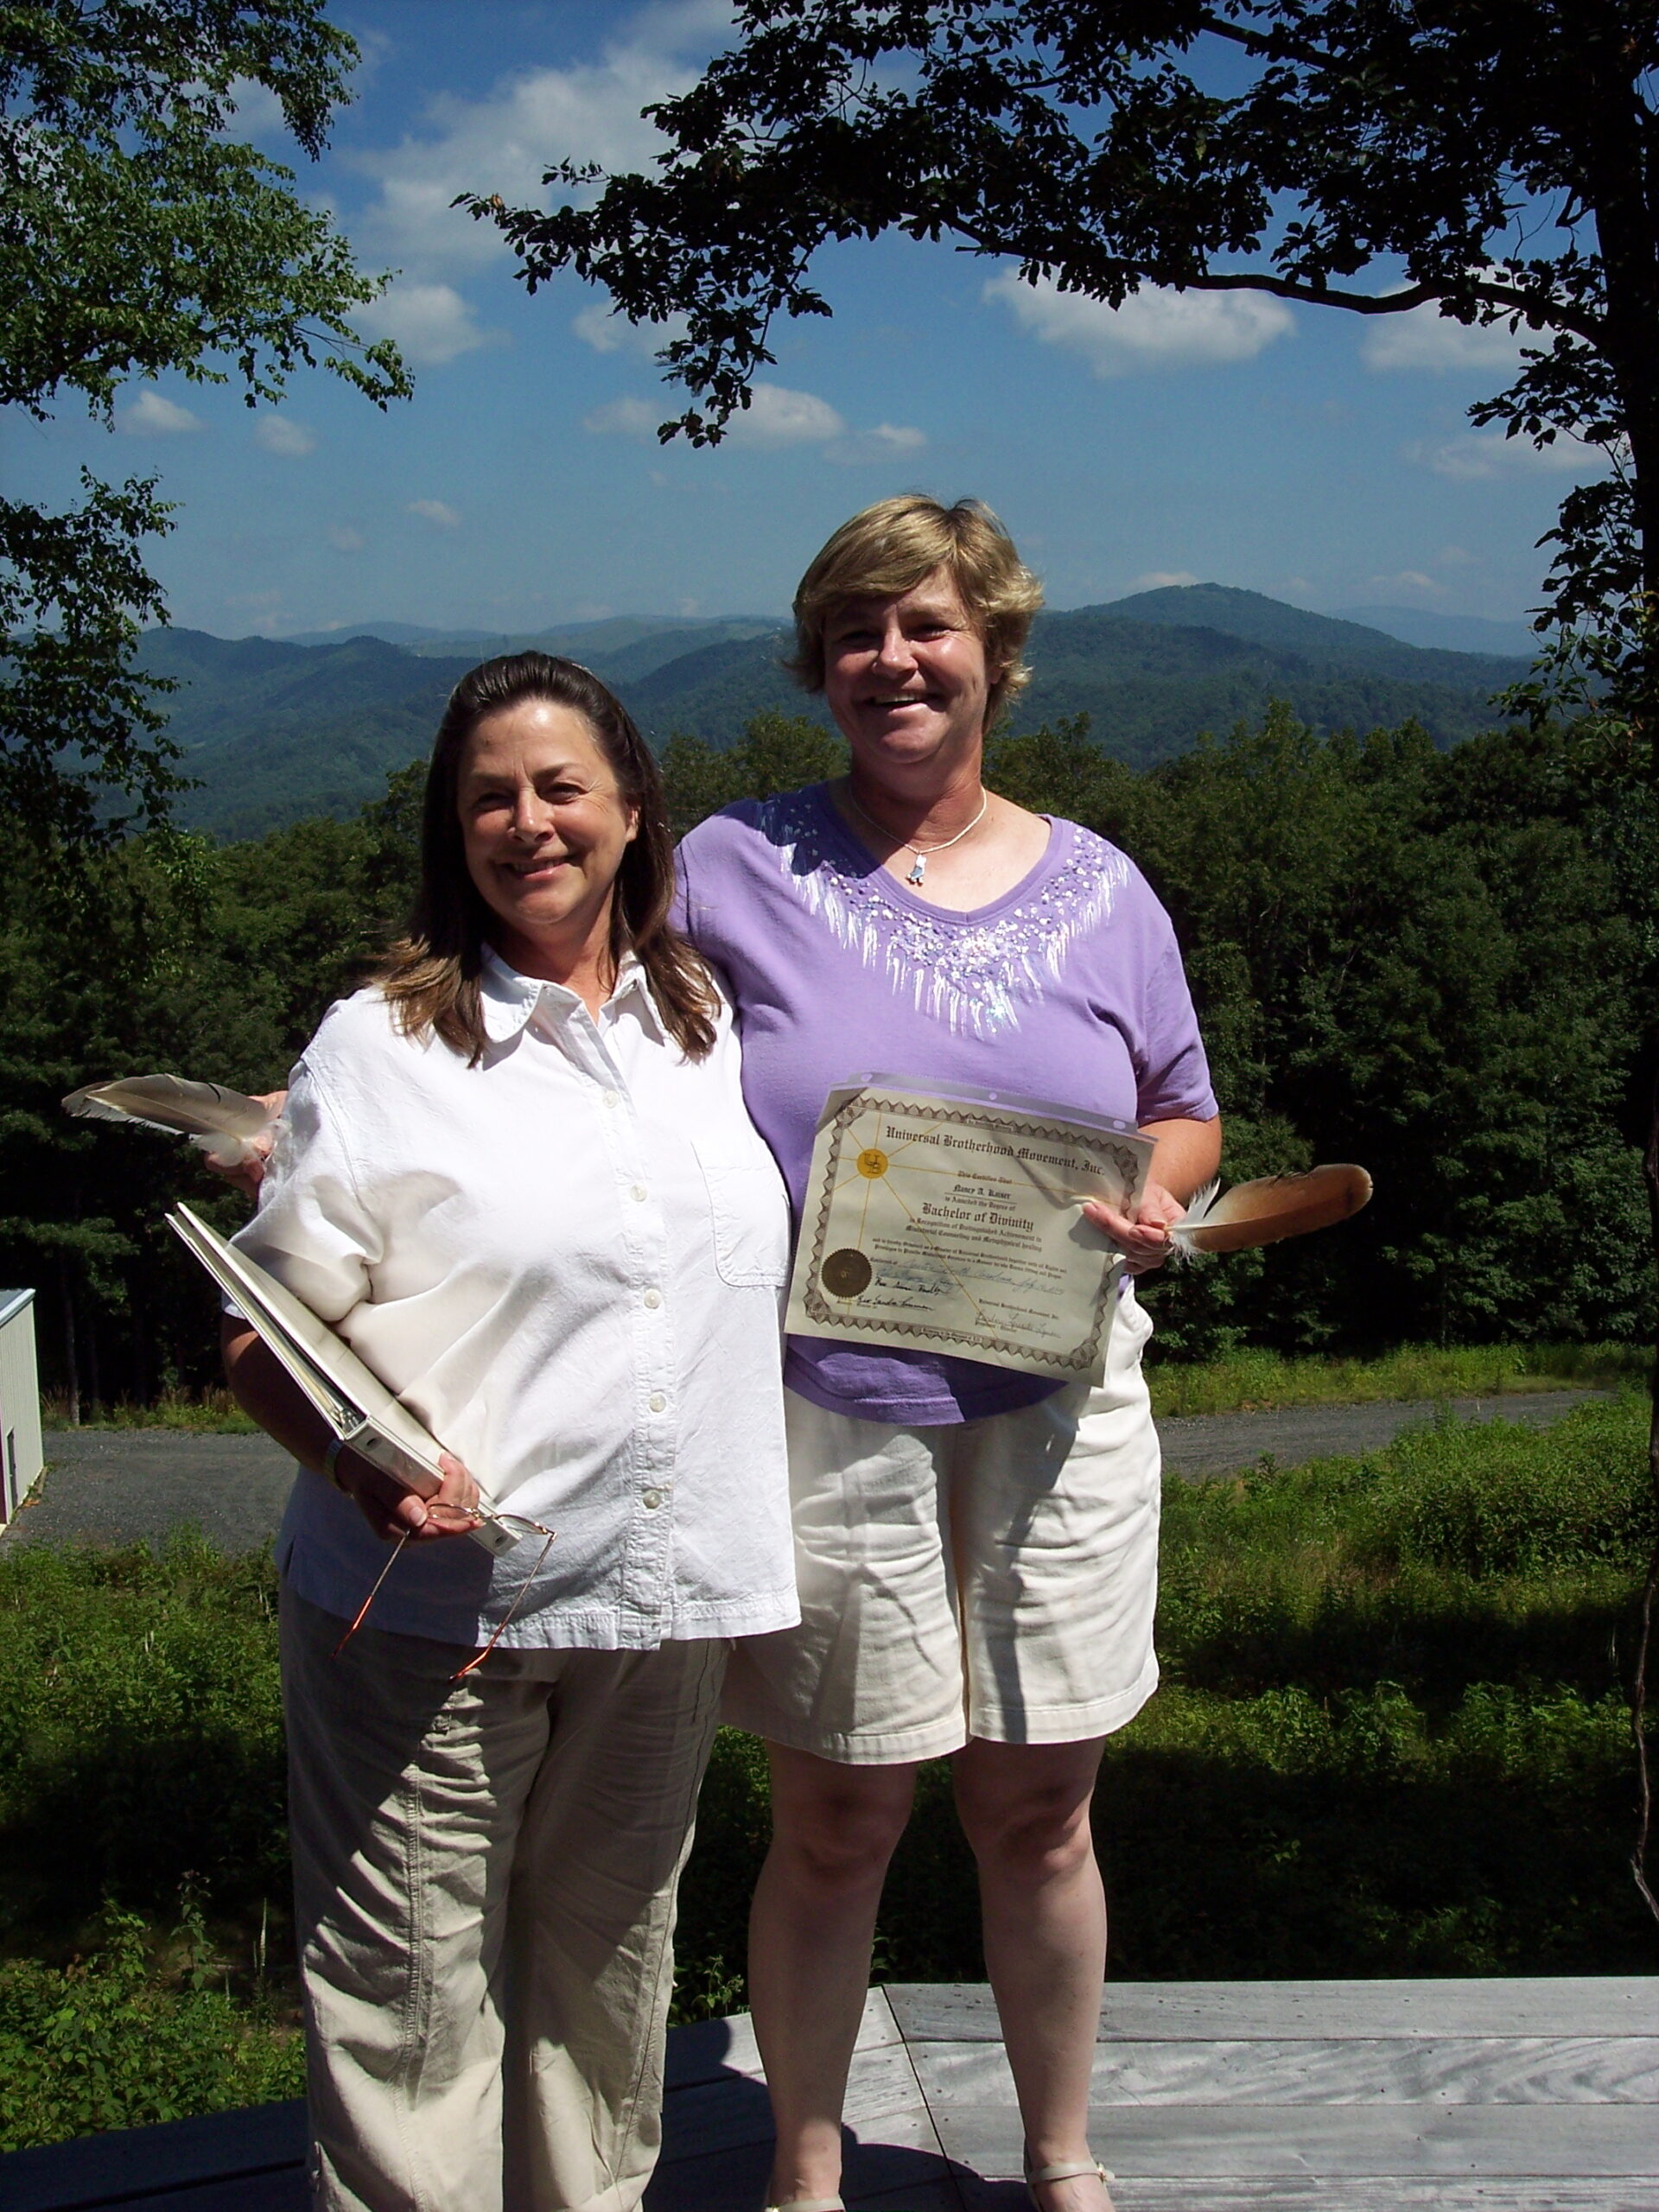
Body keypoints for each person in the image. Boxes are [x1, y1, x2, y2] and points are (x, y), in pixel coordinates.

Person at [672, 496, 1222, 2212]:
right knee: (838, 1812)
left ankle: (1060, 2153)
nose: (891, 660)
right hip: (830, 1407)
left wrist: (1157, 1199)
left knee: (1042, 1802)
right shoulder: (725, 865)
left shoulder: (1106, 888)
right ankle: (810, 2162)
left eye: (925, 628)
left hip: (1058, 1404)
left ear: (996, 652)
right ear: (816, 664)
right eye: (856, 632)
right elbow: (586, 1045)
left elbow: (1185, 1114)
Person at [221, 653, 797, 2212]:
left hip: (660, 1605)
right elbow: (254, 1333)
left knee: (608, 1993)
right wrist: (361, 1463)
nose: (527, 823)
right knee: (412, 2011)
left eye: (560, 788)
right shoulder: (382, 1045)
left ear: (630, 810)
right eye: (491, 795)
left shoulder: (705, 1018)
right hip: (431, 1617)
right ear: (450, 826)